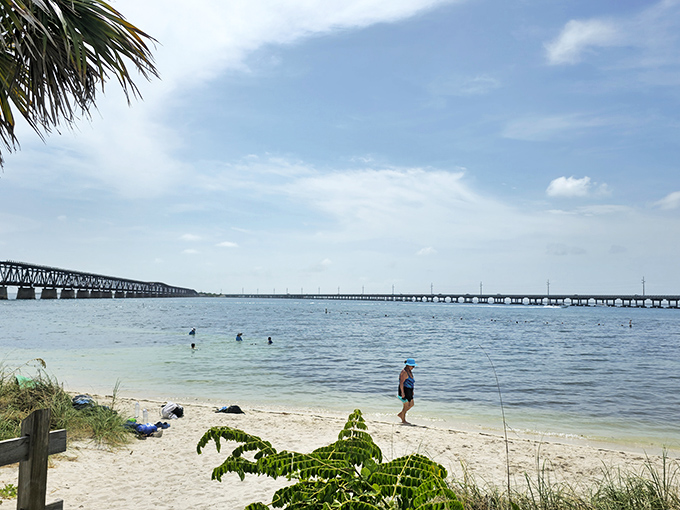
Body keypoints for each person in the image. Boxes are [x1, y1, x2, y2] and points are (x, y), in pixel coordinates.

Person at [398, 358, 417, 424]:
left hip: (409, 390)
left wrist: (412, 391)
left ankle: (401, 415)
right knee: (406, 405)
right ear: (407, 365)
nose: (413, 367)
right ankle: (403, 419)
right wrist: (402, 392)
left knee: (411, 404)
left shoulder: (409, 371)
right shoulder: (404, 372)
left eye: (414, 366)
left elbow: (411, 383)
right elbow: (401, 383)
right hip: (404, 389)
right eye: (412, 366)